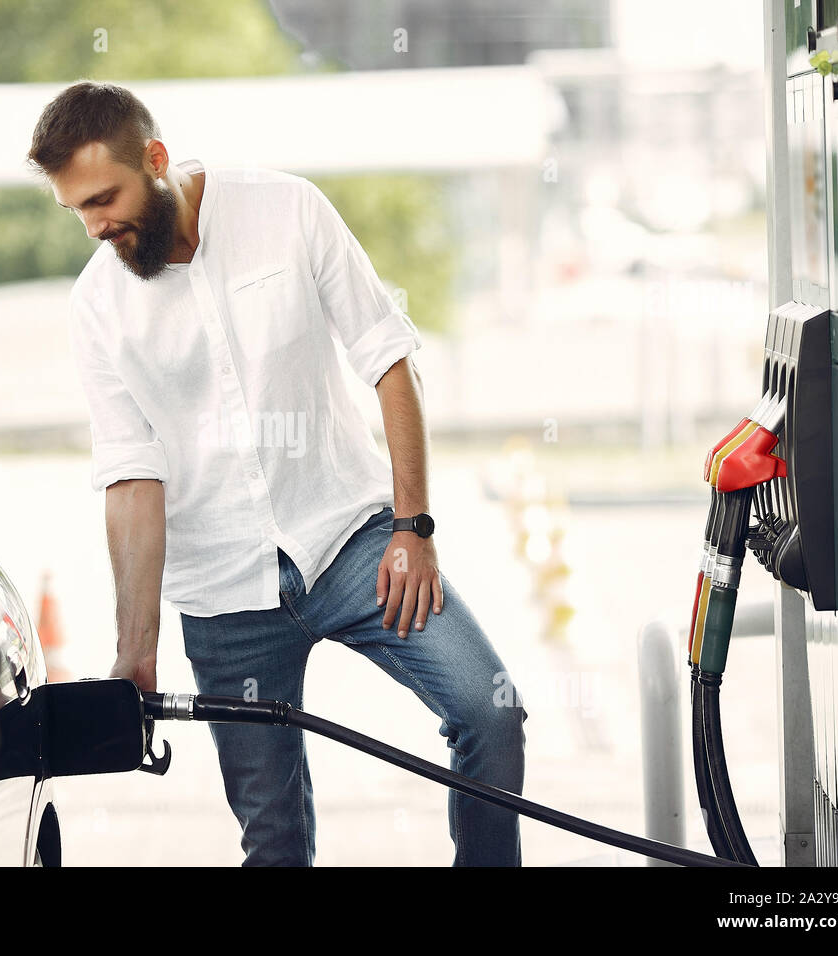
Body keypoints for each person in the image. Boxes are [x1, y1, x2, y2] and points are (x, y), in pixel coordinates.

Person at [27, 80, 527, 866]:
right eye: (76, 210)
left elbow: (390, 362)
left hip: (355, 543)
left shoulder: (288, 209)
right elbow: (130, 476)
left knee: (489, 715)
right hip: (223, 595)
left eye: (104, 197)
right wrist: (135, 648)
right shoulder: (97, 307)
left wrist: (413, 526)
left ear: (155, 159)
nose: (94, 225)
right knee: (274, 841)